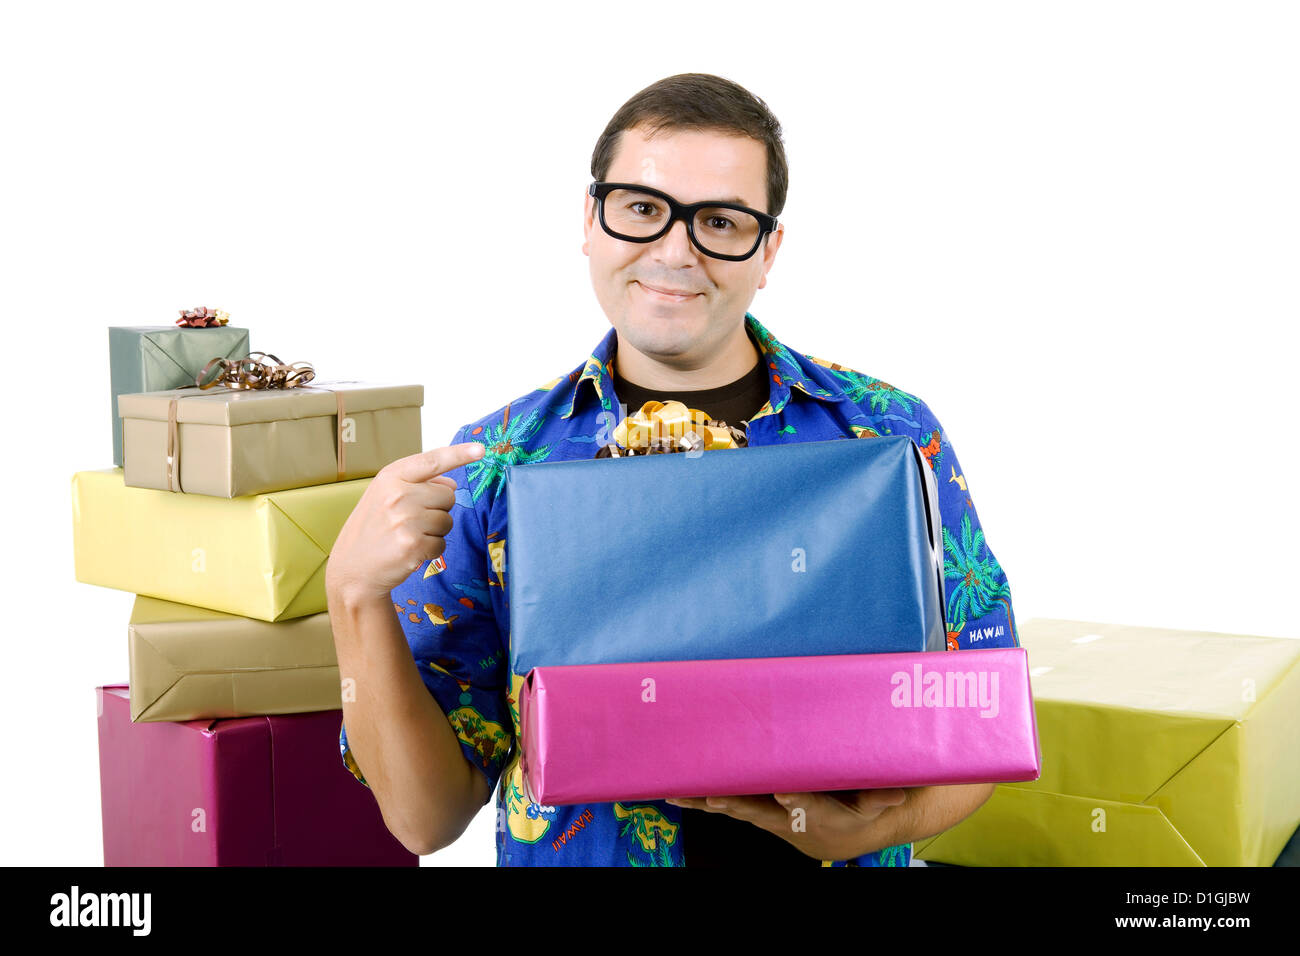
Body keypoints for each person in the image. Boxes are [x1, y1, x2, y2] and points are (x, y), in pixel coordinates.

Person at [324, 72, 1019, 867]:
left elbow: (985, 719)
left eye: (720, 221)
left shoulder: (892, 436)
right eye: (643, 209)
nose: (675, 249)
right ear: (590, 221)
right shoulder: (494, 466)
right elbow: (424, 820)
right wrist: (353, 597)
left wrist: (875, 829)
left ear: (769, 251)